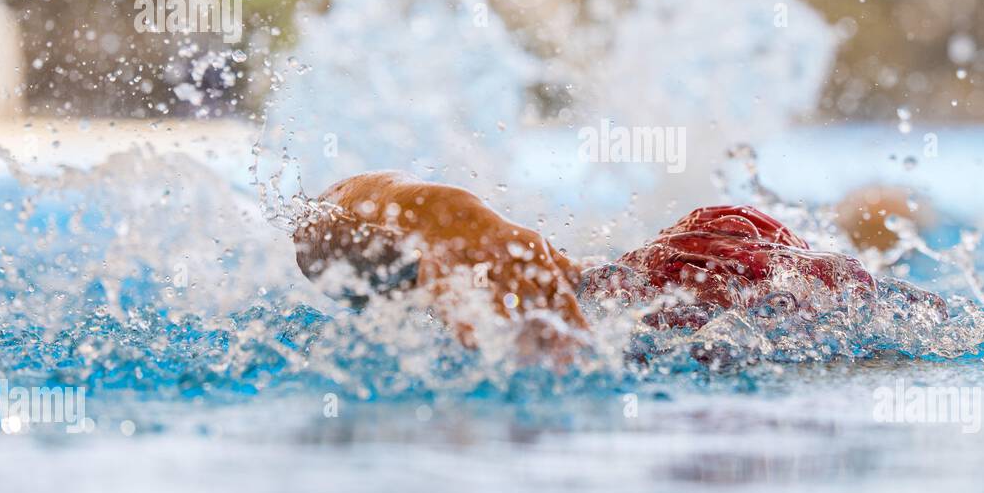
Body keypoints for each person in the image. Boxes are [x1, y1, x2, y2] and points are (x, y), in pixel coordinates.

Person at [293, 171, 939, 351]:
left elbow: (349, 201)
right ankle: (873, 234)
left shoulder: (654, 286)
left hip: (676, 269)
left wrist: (468, 228)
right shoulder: (478, 333)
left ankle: (871, 235)